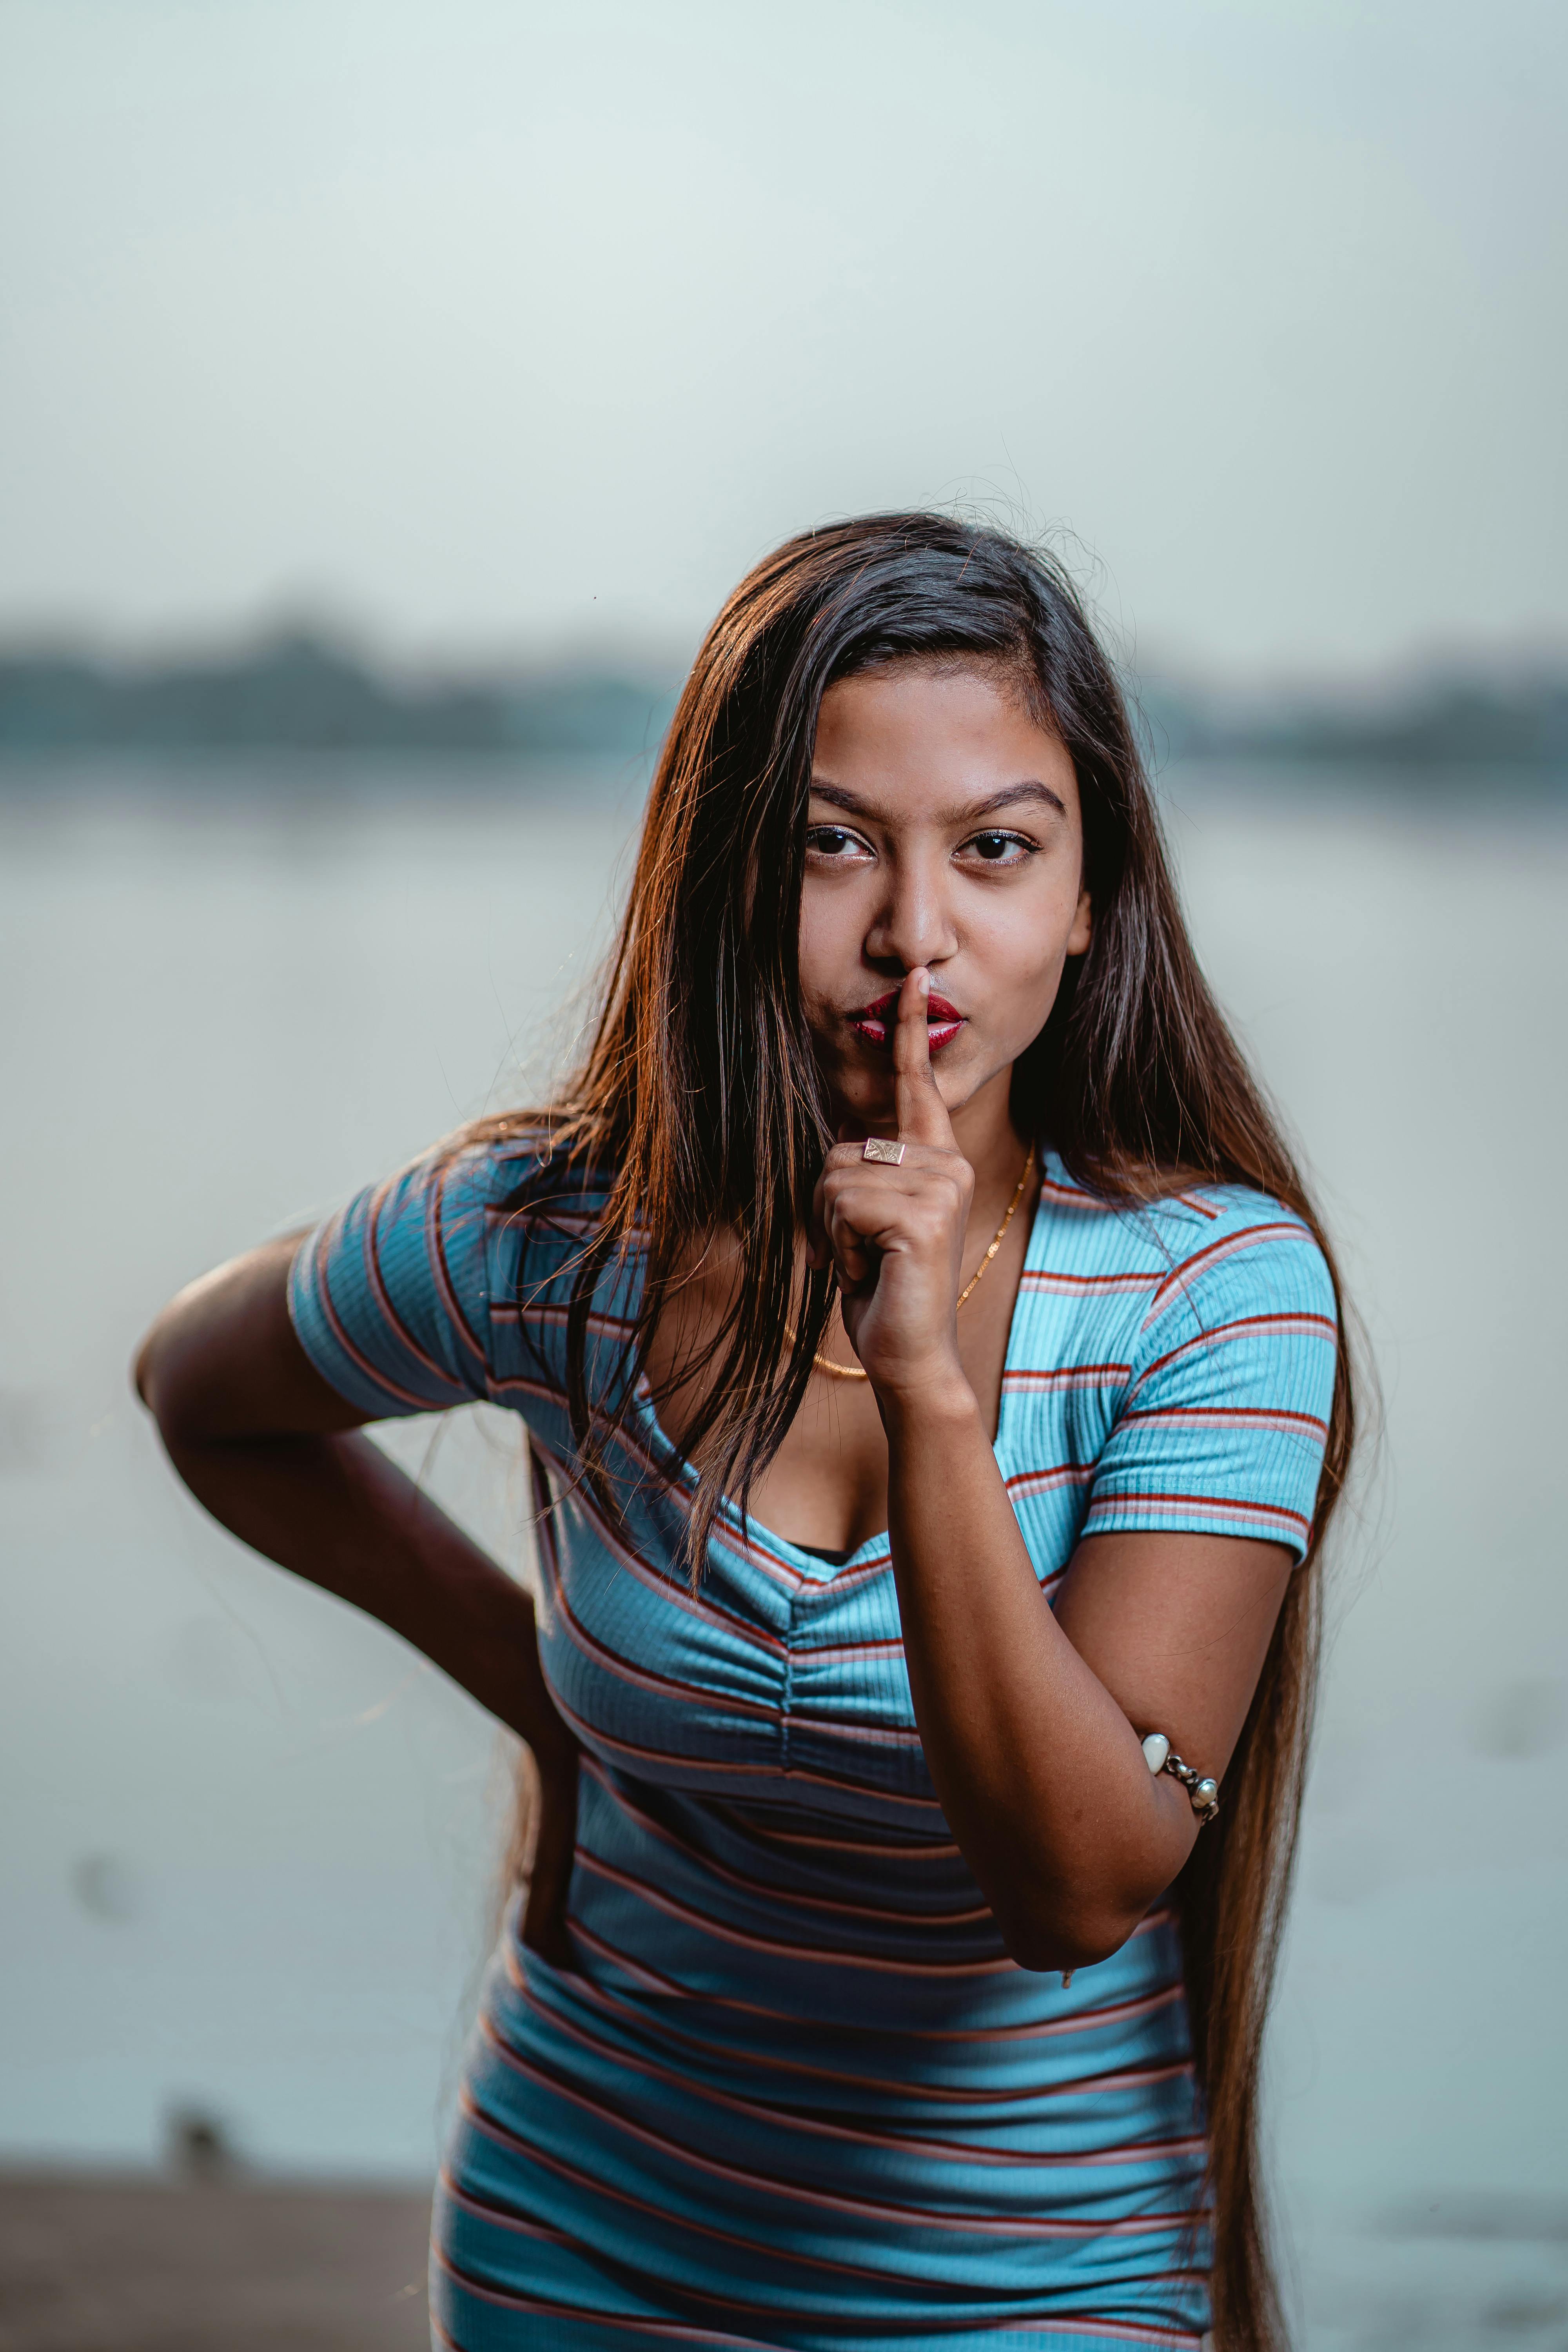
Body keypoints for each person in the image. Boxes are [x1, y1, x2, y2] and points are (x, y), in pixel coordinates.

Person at [135, 514, 1354, 2352]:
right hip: (583, 2237)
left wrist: (926, 1388)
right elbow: (200, 1391)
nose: (914, 935)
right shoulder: (554, 1242)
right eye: (831, 844)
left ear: (1090, 893)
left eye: (996, 849)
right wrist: (536, 1695)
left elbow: (1076, 1885)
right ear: (727, 872)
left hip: (1034, 2283)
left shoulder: (1216, 1298)